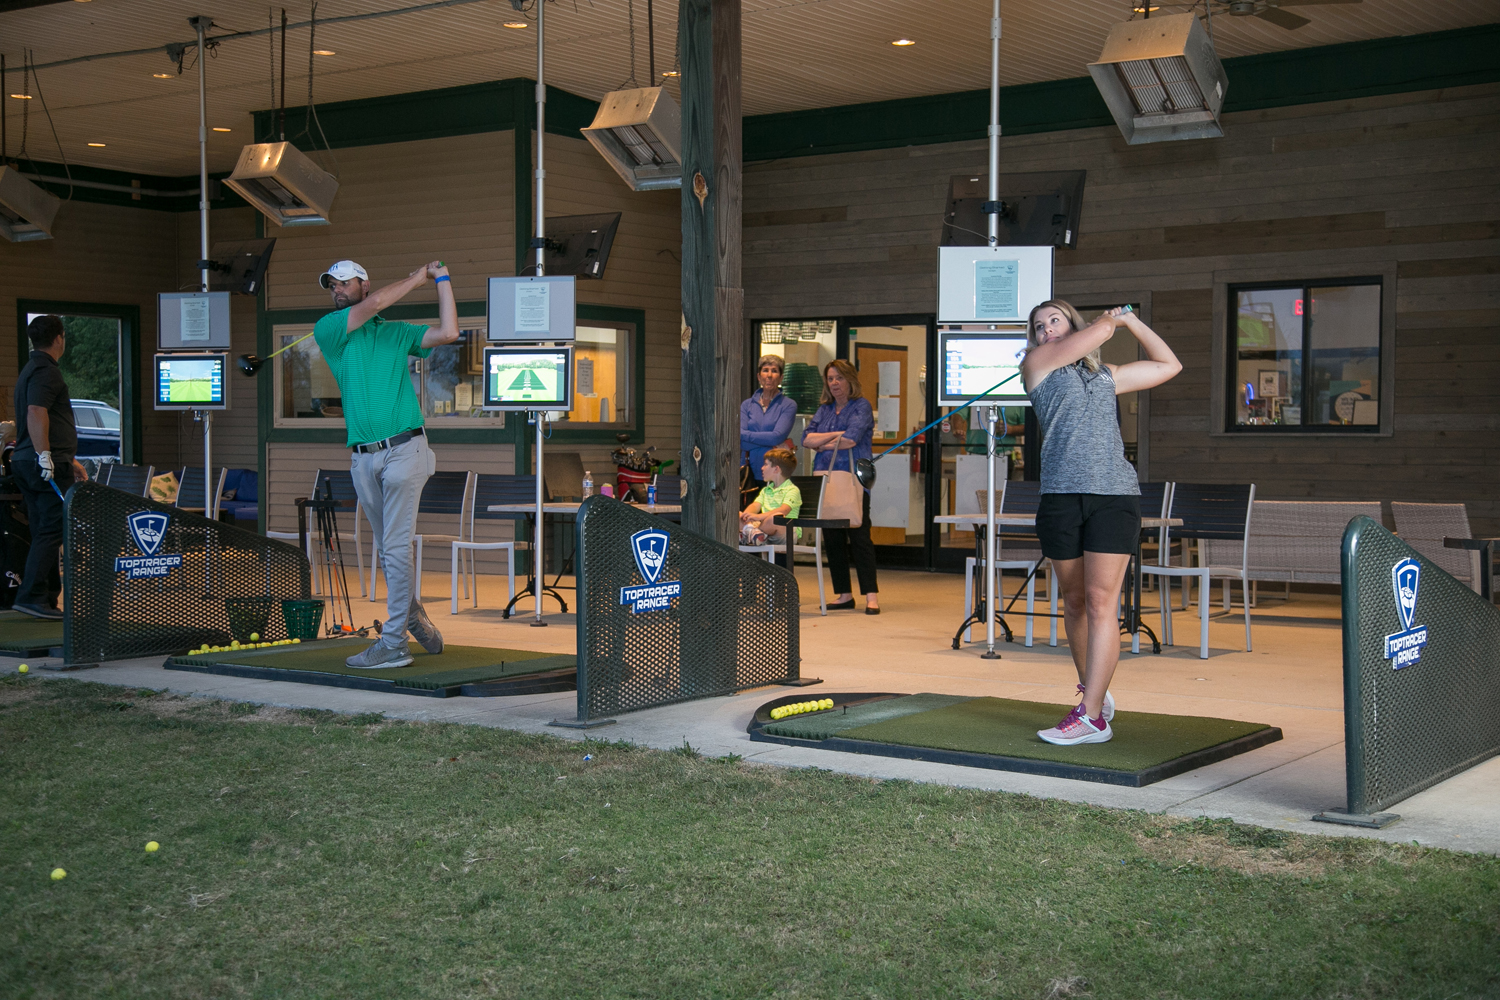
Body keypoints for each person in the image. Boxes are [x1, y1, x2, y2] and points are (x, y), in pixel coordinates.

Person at [1021, 300, 1181, 746]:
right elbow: (1099, 334)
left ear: (1070, 323)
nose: (1046, 329)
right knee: (1074, 602)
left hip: (1114, 496)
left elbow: (1169, 365)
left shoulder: (1106, 375)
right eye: (1039, 326)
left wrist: (1132, 320)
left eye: (1054, 320)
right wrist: (1109, 321)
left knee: (1099, 602)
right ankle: (1093, 689)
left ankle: (1091, 715)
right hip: (1060, 497)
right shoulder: (1037, 364)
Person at [313, 259, 459, 668]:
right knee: (387, 549)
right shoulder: (330, 329)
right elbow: (375, 303)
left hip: (405, 450)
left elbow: (449, 332)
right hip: (363, 459)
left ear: (364, 283)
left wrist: (442, 279)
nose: (337, 290)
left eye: (344, 283)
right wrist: (416, 276)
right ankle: (410, 614)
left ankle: (393, 644)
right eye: (332, 285)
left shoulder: (397, 332)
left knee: (395, 548)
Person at [11, 315, 89, 620]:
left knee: (43, 528)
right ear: (59, 338)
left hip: (32, 461)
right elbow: (36, 411)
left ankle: (45, 597)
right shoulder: (47, 371)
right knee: (54, 527)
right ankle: (31, 596)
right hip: (43, 464)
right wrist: (46, 455)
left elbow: (49, 420)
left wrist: (69, 459)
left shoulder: (30, 368)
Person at [801, 359, 879, 614]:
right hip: (827, 479)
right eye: (830, 378)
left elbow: (851, 439)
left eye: (839, 378)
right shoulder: (824, 410)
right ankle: (844, 594)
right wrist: (834, 436)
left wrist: (822, 443)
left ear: (850, 380)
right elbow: (806, 439)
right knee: (833, 538)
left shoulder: (861, 406)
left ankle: (871, 596)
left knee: (860, 537)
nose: (834, 383)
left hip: (853, 479)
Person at [739, 355, 797, 494]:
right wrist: (769, 442)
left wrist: (748, 436)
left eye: (774, 371)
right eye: (765, 370)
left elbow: (777, 437)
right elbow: (740, 440)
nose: (769, 375)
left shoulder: (788, 405)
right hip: (747, 471)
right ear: (759, 377)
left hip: (776, 471)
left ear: (781, 377)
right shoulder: (746, 405)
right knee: (748, 508)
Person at [739, 447, 801, 547]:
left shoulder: (792, 490)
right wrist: (746, 515)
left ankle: (748, 533)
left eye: (765, 464)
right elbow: (755, 505)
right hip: (764, 529)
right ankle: (753, 533)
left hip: (786, 530)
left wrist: (759, 516)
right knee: (737, 515)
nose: (762, 468)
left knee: (774, 518)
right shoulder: (766, 490)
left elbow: (784, 510)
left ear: (776, 469)